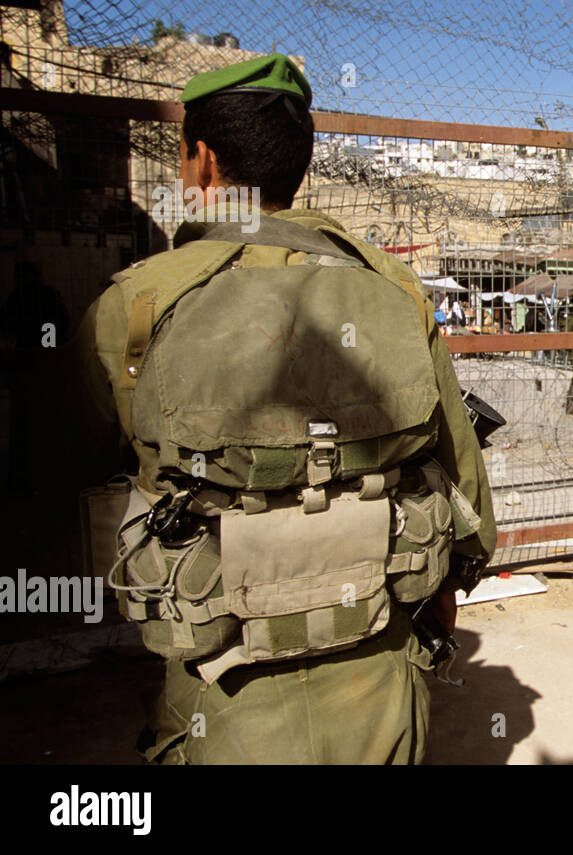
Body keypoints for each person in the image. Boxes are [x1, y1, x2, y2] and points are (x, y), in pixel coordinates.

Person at [71, 54, 496, 764]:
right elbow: (462, 475)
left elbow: (69, 466)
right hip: (381, 684)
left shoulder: (134, 306)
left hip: (221, 700)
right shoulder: (393, 288)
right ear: (296, 166)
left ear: (202, 161)